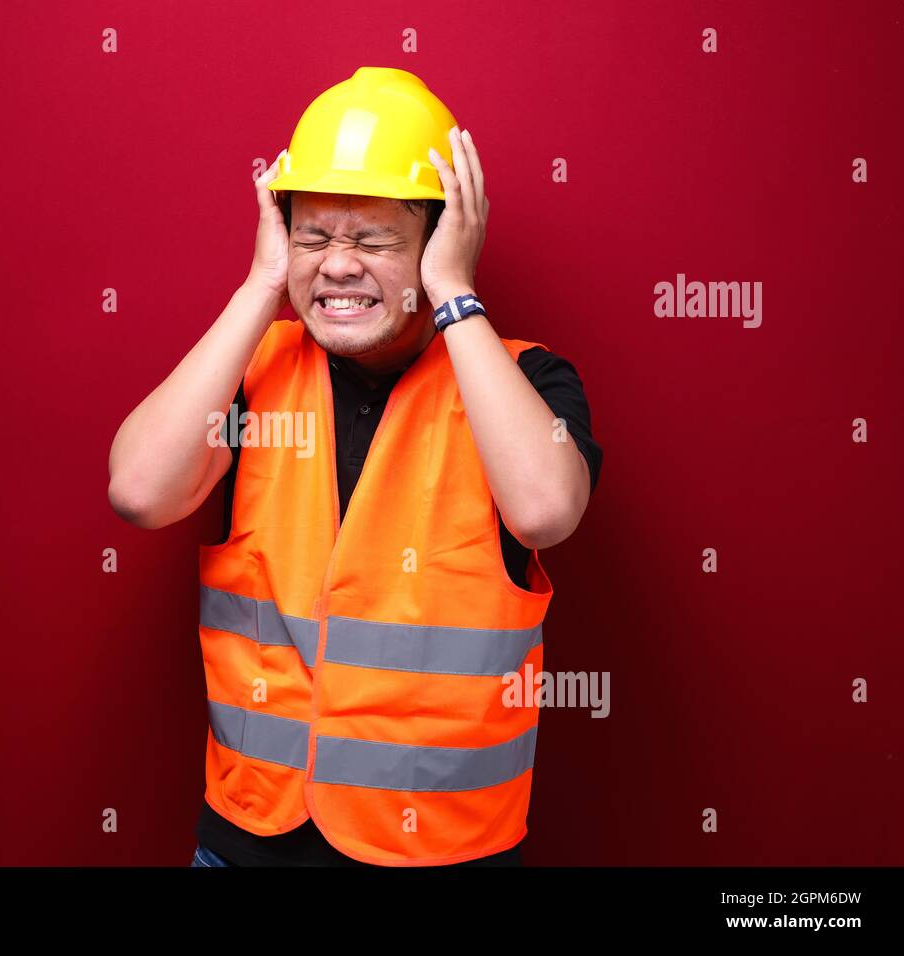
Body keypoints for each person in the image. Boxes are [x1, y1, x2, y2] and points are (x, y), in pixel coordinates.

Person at [108, 67, 602, 867]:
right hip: (248, 841)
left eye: (372, 240)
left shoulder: (525, 382)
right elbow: (139, 492)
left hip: (443, 854)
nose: (338, 266)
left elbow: (547, 511)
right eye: (314, 237)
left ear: (442, 239)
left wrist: (453, 291)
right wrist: (264, 280)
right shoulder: (255, 366)